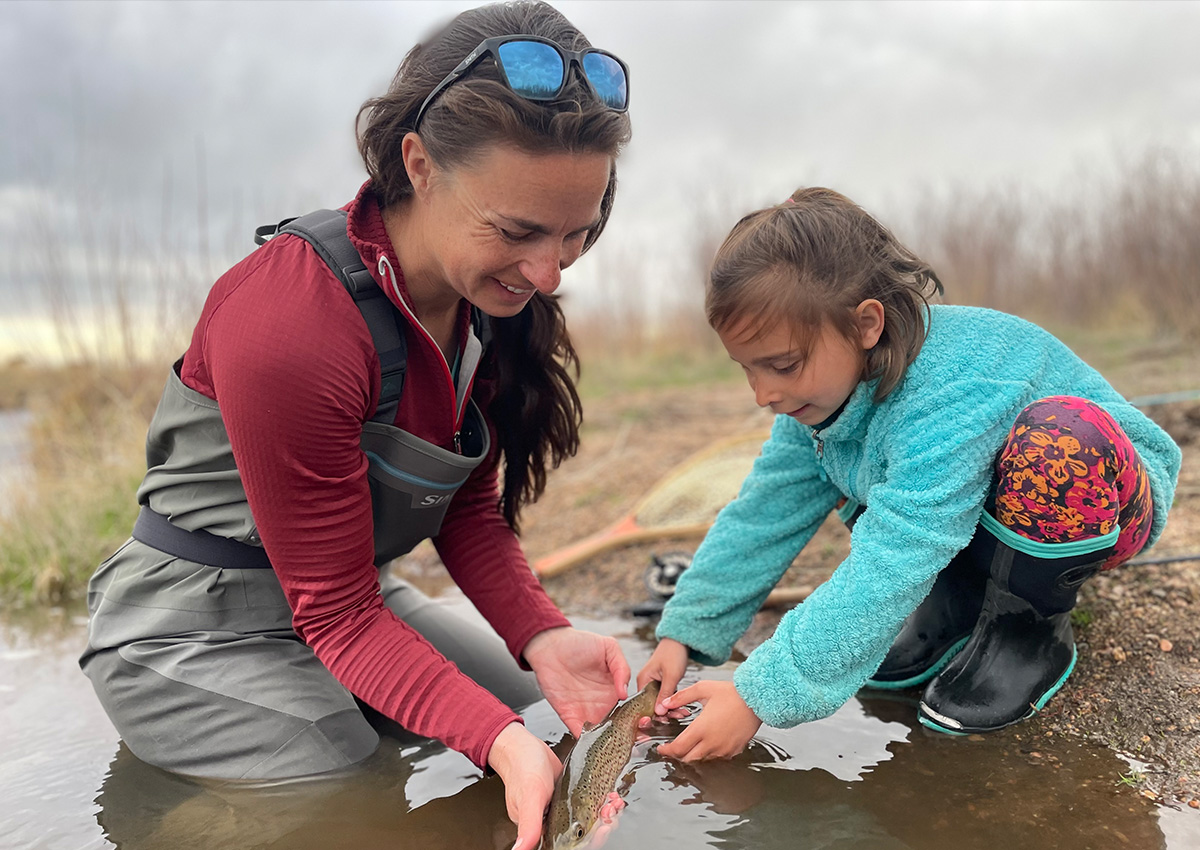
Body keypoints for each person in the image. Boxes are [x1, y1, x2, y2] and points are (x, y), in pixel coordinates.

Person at [80, 3, 632, 848]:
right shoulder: (292, 321)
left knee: (527, 712)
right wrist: (491, 743)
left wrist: (543, 636)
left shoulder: (486, 300)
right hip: (192, 626)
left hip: (349, 598)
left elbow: (465, 512)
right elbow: (335, 614)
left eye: (576, 234)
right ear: (419, 165)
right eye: (520, 231)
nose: (549, 274)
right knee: (352, 795)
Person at [637, 187, 1182, 760]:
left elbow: (897, 551)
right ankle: (954, 608)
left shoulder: (950, 385)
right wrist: (685, 632)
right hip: (973, 508)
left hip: (1108, 500)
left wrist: (759, 694)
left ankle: (1025, 633)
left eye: (783, 365)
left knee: (1057, 442)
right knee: (852, 461)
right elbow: (763, 514)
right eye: (748, 369)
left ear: (866, 325)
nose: (763, 394)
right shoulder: (817, 404)